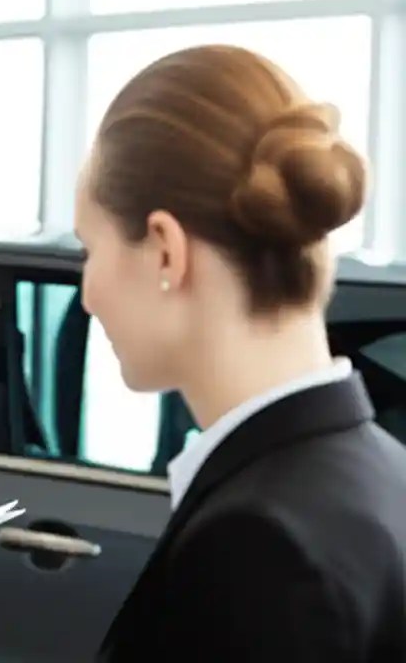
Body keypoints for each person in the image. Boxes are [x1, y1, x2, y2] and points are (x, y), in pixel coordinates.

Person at [74, 44, 406, 662]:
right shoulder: (385, 475)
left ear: (166, 250)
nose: (87, 297)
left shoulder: (259, 549)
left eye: (89, 249)